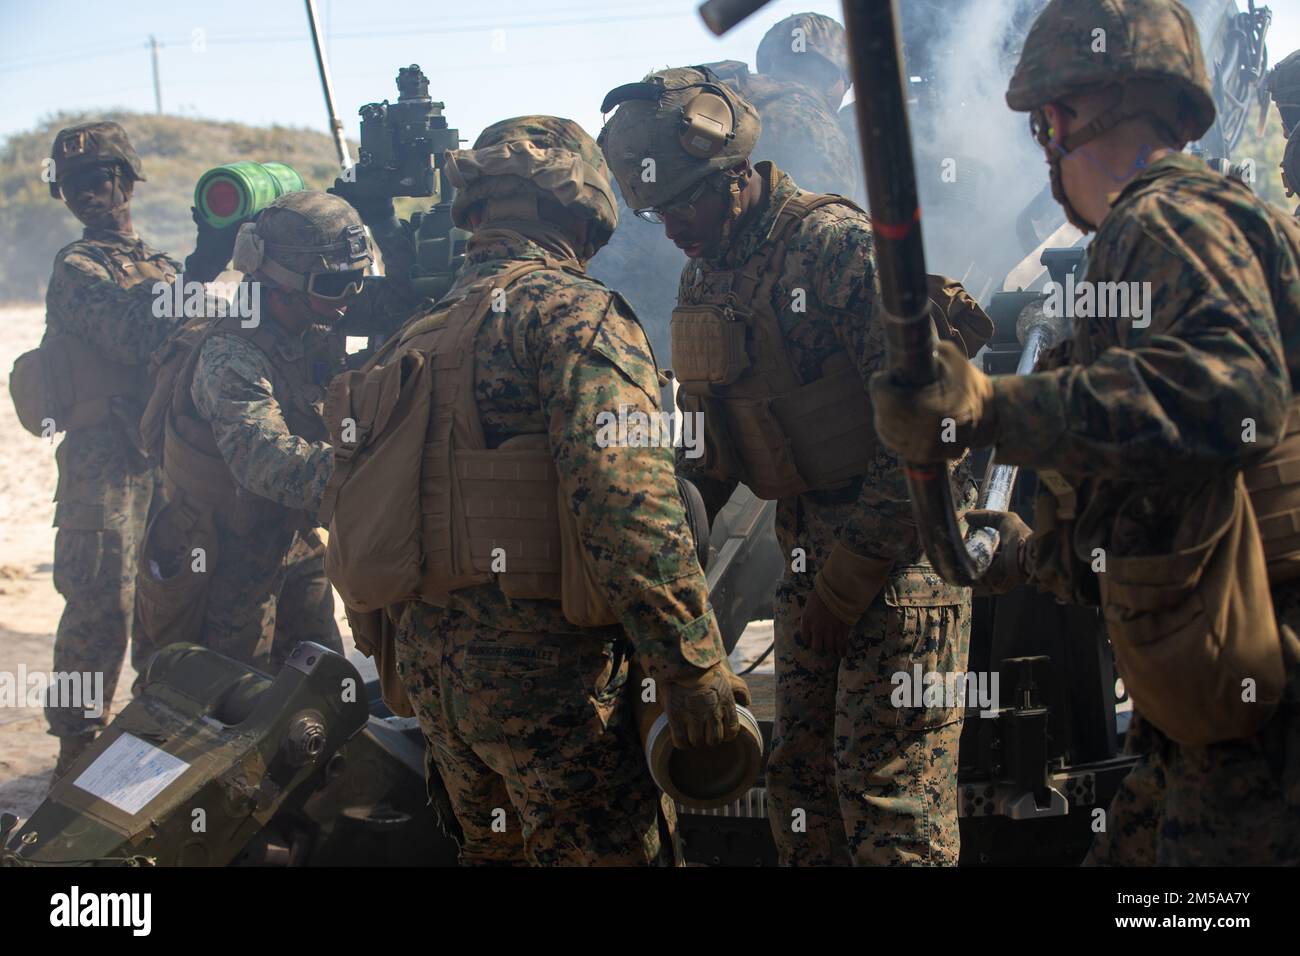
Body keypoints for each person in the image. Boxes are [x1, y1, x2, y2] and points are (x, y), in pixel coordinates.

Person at [870, 0, 1300, 865]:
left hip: (1264, 717)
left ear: (1065, 117)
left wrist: (993, 409)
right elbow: (1150, 489)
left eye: (1045, 127)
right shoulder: (1175, 227)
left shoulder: (1165, 217)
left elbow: (1231, 398)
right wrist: (1030, 557)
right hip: (1208, 702)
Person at [600, 69, 992, 866]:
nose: (672, 227)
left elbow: (926, 440)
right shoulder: (704, 273)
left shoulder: (839, 249)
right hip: (809, 551)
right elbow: (714, 451)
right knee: (803, 789)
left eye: (684, 205)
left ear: (734, 173)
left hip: (901, 566)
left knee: (890, 800)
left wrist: (845, 587)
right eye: (656, 211)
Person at [361, 116, 743, 865]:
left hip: (434, 671)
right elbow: (630, 503)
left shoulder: (417, 333)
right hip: (549, 680)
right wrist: (691, 662)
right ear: (581, 207)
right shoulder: (574, 315)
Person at [143, 191, 365, 671]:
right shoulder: (230, 353)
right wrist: (375, 472)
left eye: (358, 281)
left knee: (322, 687)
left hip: (291, 535)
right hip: (223, 551)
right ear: (277, 283)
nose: (350, 298)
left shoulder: (311, 331)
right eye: (333, 284)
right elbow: (265, 462)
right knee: (223, 700)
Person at [36, 121, 190, 777]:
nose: (89, 194)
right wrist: (200, 280)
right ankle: (77, 748)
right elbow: (132, 332)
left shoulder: (162, 264)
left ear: (126, 182)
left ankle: (151, 732)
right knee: (98, 603)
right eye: (74, 185)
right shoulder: (76, 268)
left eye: (100, 178)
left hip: (161, 455)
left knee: (167, 598)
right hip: (101, 464)